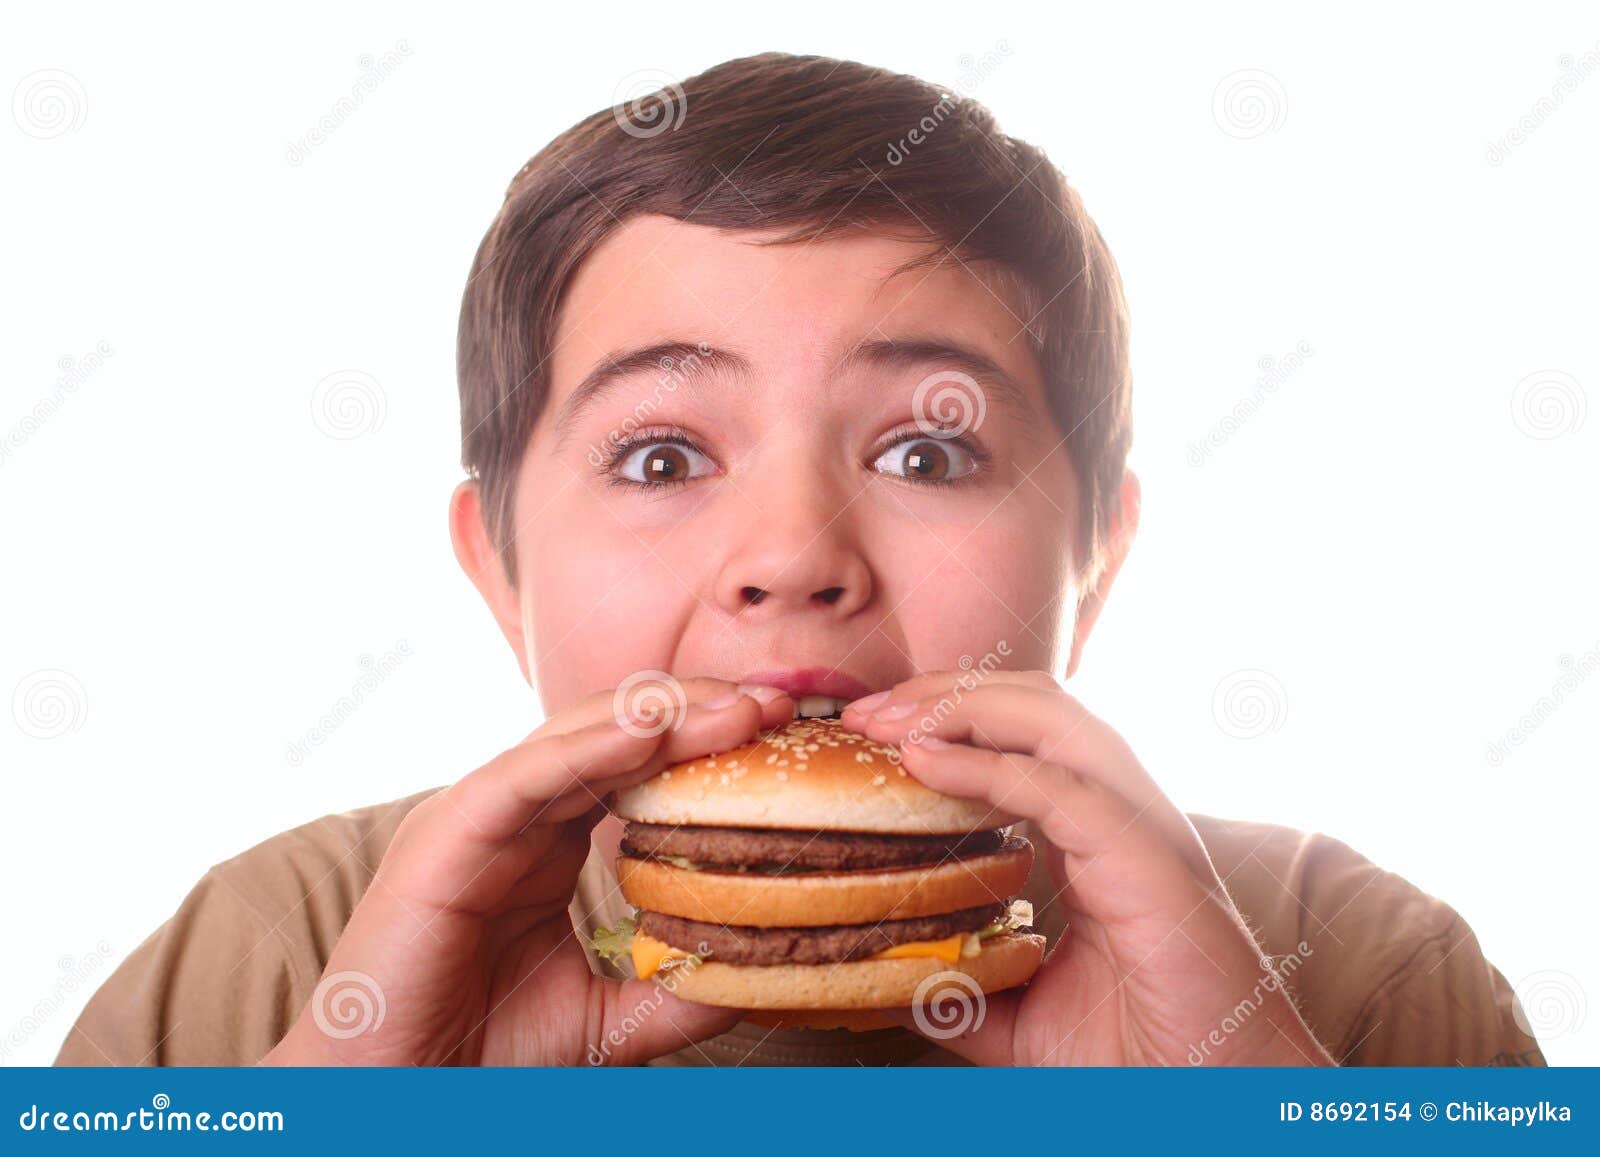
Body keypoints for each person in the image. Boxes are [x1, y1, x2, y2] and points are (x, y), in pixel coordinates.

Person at [57, 52, 1543, 1068]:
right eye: (660, 456)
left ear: (1099, 559)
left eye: (927, 450)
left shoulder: (1359, 968)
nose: (794, 559)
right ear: (497, 571)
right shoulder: (269, 962)